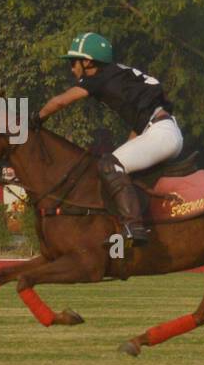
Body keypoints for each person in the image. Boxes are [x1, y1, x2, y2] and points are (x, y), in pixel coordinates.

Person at [36, 32, 182, 245]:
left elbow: (59, 102)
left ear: (87, 62)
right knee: (115, 165)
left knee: (108, 164)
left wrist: (36, 118)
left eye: (73, 62)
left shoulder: (98, 78)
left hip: (161, 133)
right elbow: (139, 126)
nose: (71, 68)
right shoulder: (119, 75)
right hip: (162, 131)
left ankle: (133, 227)